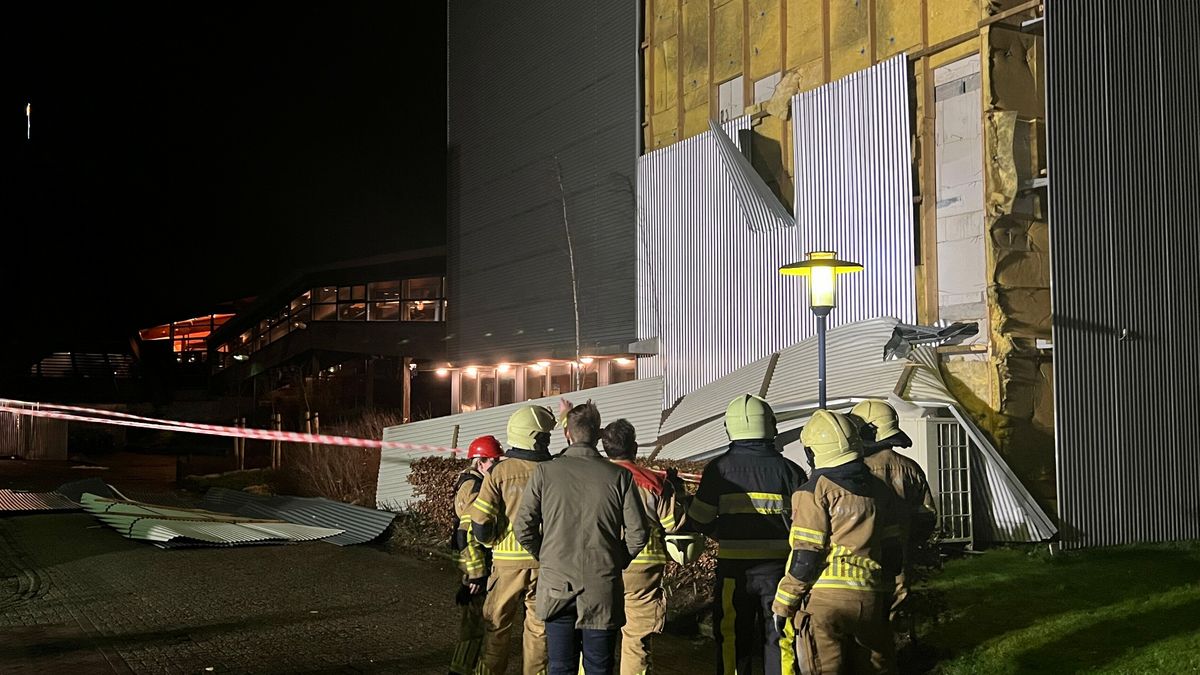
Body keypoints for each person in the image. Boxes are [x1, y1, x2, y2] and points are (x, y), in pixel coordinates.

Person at [513, 402, 649, 675]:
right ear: (598, 434)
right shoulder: (619, 476)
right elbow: (638, 533)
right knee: (599, 667)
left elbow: (523, 527)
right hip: (602, 587)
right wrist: (616, 560)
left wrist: (546, 556)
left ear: (567, 434)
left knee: (560, 666)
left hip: (556, 586)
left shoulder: (545, 472)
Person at [771, 410, 902, 674]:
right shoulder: (880, 490)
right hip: (870, 598)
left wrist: (783, 604)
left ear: (813, 452)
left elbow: (806, 557)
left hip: (825, 603)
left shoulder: (813, 491)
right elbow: (892, 552)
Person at [688, 395, 807, 675]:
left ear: (730, 427)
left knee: (731, 638)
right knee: (780, 636)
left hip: (734, 572)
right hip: (778, 573)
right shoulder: (790, 471)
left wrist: (722, 533)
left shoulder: (717, 470)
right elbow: (805, 525)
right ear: (770, 425)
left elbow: (699, 519)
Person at [469, 405, 557, 675]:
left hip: (507, 565)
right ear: (534, 437)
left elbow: (480, 522)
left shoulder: (499, 472)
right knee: (539, 630)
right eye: (544, 436)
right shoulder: (555, 470)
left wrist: (491, 543)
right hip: (545, 563)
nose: (547, 440)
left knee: (497, 628)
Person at [600, 418, 687, 675]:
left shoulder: (593, 479)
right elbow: (673, 524)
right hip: (643, 570)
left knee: (594, 636)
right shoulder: (655, 482)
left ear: (605, 448)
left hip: (600, 565)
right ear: (635, 448)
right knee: (636, 640)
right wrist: (678, 492)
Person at [849, 399, 937, 623]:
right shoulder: (911, 468)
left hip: (860, 555)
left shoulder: (853, 471)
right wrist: (908, 543)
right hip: (899, 557)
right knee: (893, 614)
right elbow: (927, 516)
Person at [450, 435, 505, 675]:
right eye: (494, 461)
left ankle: (462, 668)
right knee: (475, 625)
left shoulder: (474, 481)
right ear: (480, 462)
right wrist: (476, 574)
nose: (498, 465)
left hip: (473, 562)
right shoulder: (475, 486)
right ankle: (460, 670)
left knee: (476, 623)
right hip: (476, 564)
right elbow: (466, 532)